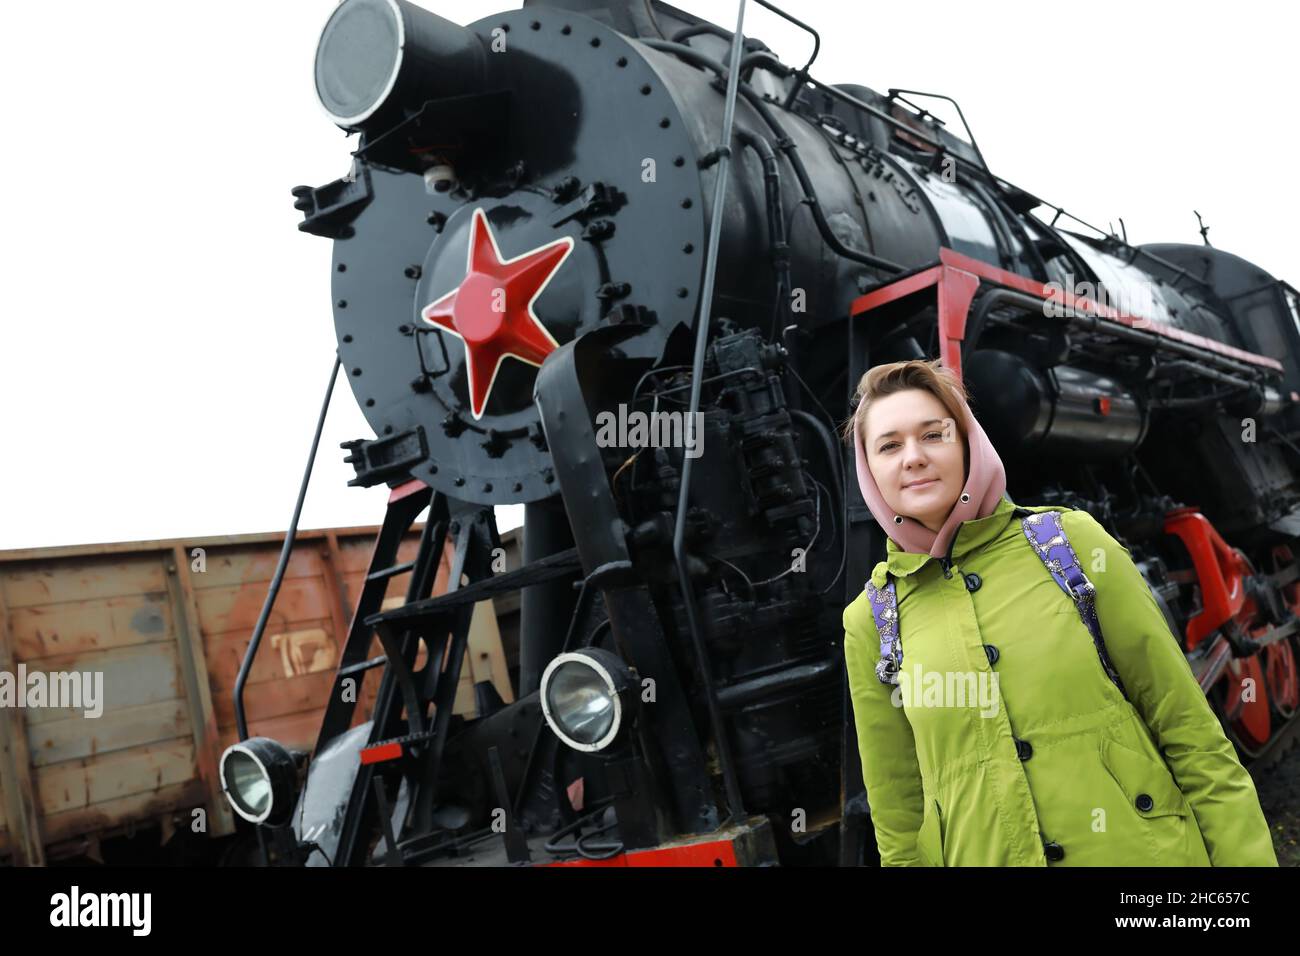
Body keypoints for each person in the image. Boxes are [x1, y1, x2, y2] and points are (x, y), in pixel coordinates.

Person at [841, 357, 1277, 866]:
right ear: (869, 470)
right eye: (889, 445)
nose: (912, 457)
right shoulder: (871, 620)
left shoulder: (1070, 541)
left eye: (933, 435)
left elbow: (1193, 737)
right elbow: (899, 816)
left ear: (967, 444)